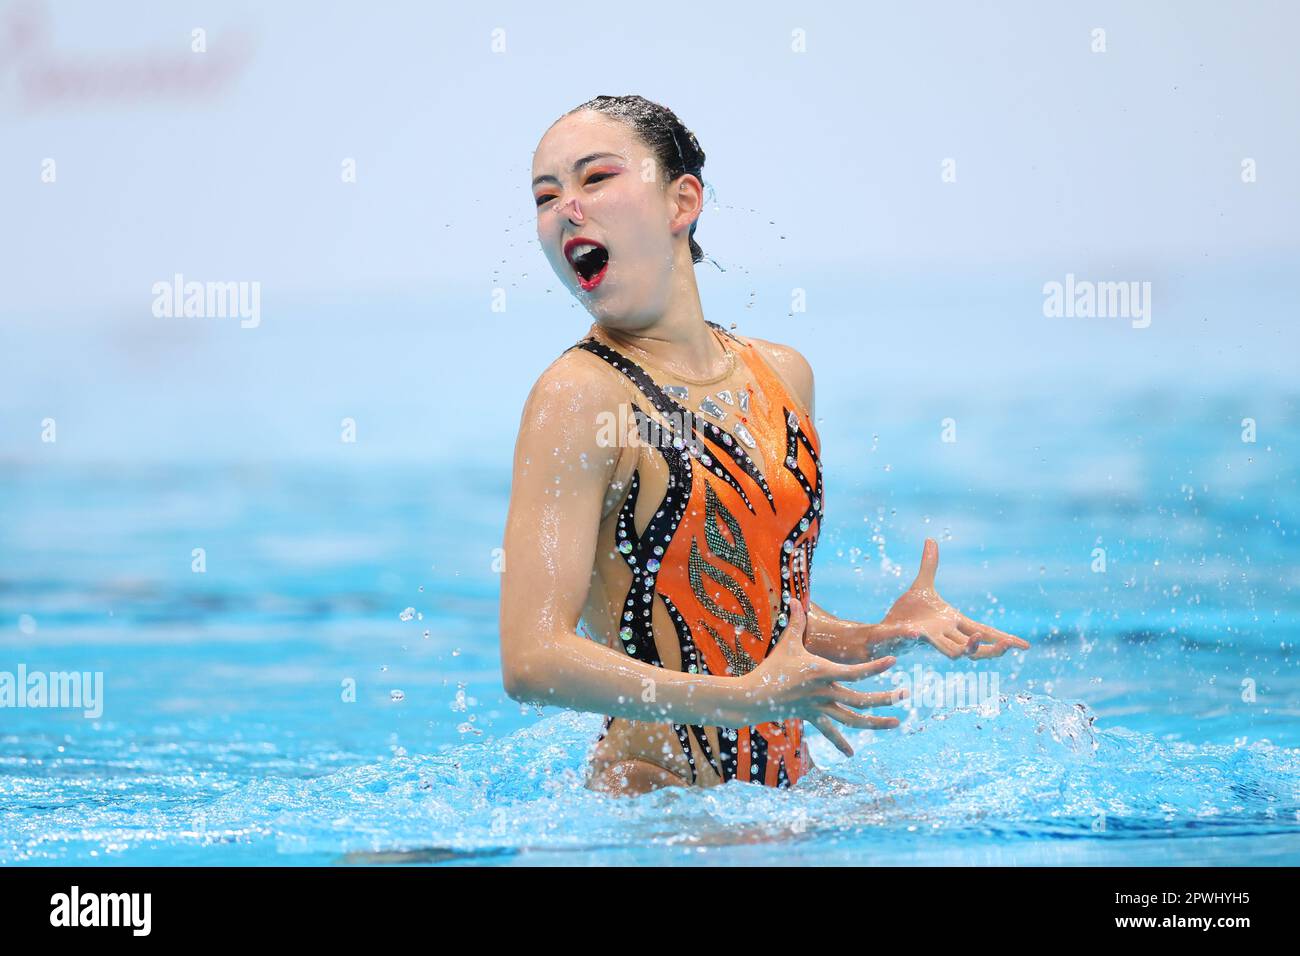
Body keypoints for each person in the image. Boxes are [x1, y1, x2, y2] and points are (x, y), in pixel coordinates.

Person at [499, 94, 1030, 796]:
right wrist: (745, 700)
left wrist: (876, 638)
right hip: (653, 800)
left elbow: (757, 618)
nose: (567, 206)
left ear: (681, 201)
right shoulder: (580, 396)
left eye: (595, 179)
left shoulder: (781, 376)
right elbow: (532, 661)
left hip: (784, 793)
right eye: (546, 194)